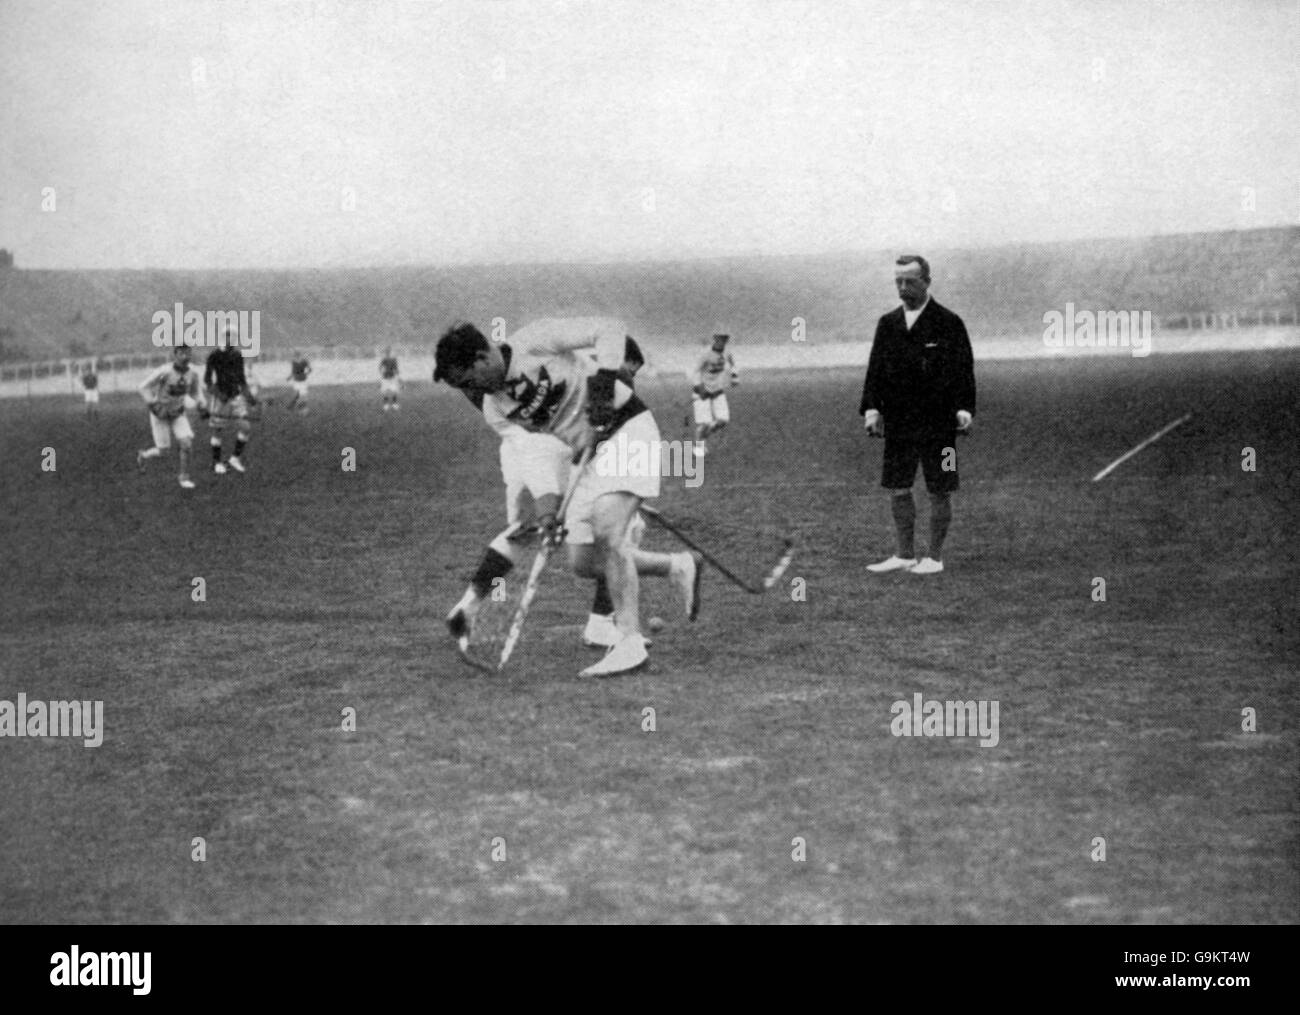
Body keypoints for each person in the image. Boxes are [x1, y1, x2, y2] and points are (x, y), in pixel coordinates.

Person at [435, 318, 701, 677]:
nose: (470, 391)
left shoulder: (534, 340)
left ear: (482, 356)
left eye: (467, 381)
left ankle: (629, 643)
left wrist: (604, 383)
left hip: (628, 429)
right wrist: (548, 511)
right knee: (584, 562)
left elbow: (608, 329)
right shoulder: (495, 409)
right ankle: (679, 565)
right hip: (589, 458)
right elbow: (534, 452)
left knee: (610, 530)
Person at [445, 336, 651, 652]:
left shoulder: (517, 373)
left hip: (516, 451)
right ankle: (600, 623)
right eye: (629, 372)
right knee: (624, 529)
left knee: (523, 531)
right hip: (550, 450)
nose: (629, 380)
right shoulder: (563, 368)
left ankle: (469, 603)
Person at [859, 255, 975, 575]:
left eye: (909, 281)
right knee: (898, 486)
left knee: (940, 487)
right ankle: (904, 554)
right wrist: (871, 409)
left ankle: (934, 558)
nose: (902, 287)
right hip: (898, 422)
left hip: (940, 425)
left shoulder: (949, 323)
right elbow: (876, 371)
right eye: (898, 281)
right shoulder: (888, 324)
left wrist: (965, 410)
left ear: (927, 281)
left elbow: (964, 370)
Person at [137, 346, 202, 489]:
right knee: (163, 451)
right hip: (160, 415)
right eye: (181, 353)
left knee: (186, 444)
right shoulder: (165, 371)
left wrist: (201, 404)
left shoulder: (193, 373)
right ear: (175, 355)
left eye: (188, 353)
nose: (185, 357)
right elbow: (143, 387)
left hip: (178, 414)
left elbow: (195, 392)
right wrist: (154, 406)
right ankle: (144, 455)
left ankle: (184, 477)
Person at [203, 338, 257, 474]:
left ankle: (235, 458)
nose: (229, 339)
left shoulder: (237, 355)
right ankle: (216, 463)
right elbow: (207, 381)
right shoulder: (214, 355)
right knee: (218, 431)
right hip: (220, 399)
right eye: (226, 336)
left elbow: (242, 380)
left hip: (236, 397)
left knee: (246, 427)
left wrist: (250, 399)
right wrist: (219, 395)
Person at [691, 332, 739, 457]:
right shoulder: (705, 354)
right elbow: (694, 371)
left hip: (717, 390)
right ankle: (699, 445)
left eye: (724, 339)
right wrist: (699, 387)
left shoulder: (727, 352)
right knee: (705, 423)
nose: (721, 341)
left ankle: (701, 438)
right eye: (719, 339)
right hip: (702, 391)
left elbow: (733, 364)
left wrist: (734, 377)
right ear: (714, 339)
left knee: (723, 420)